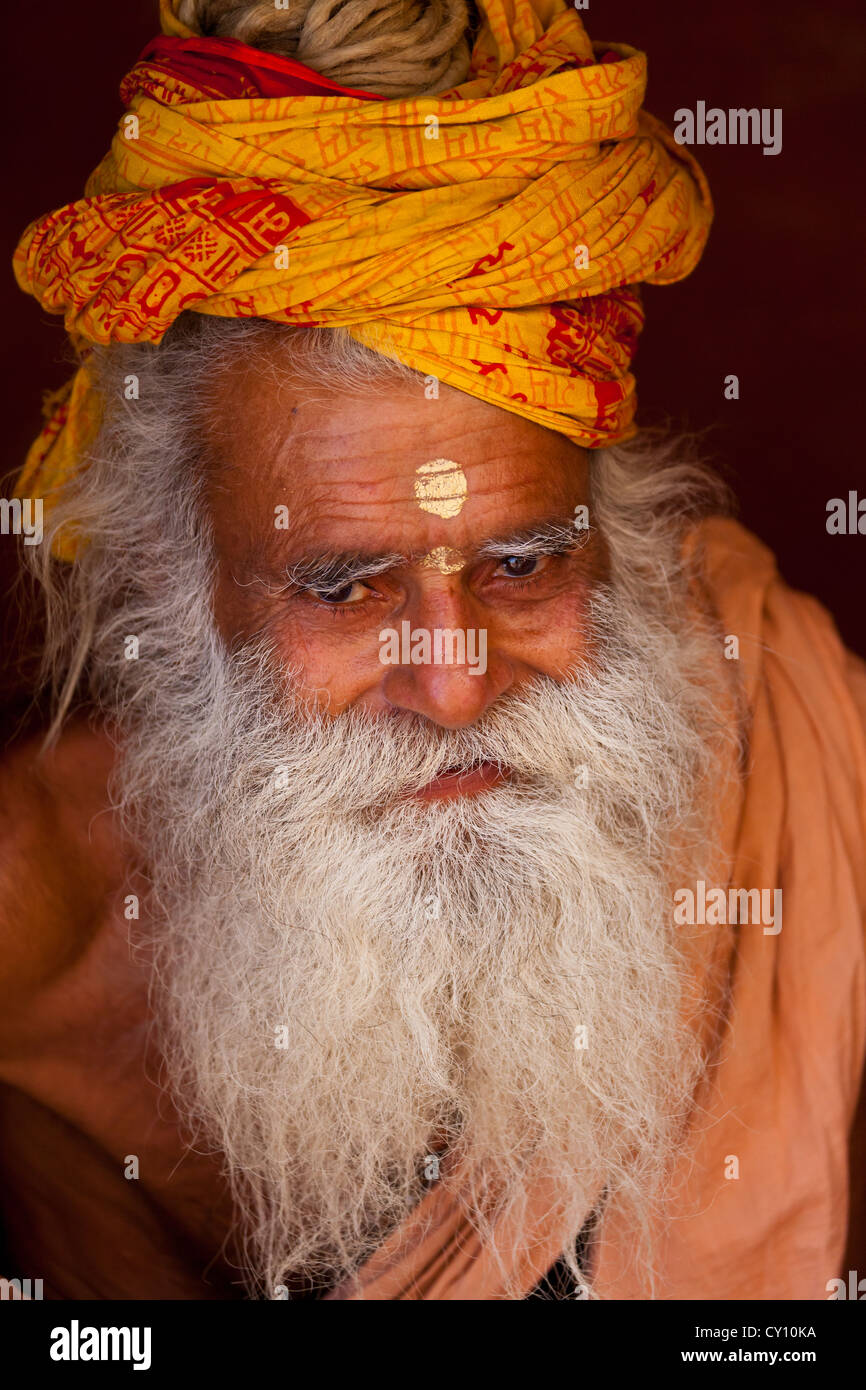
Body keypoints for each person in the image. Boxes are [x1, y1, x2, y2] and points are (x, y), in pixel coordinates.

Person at [1, 0, 864, 1301]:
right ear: (170, 586)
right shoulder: (35, 911)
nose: (457, 682)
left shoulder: (794, 745)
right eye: (344, 585)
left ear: (619, 540)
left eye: (520, 564)